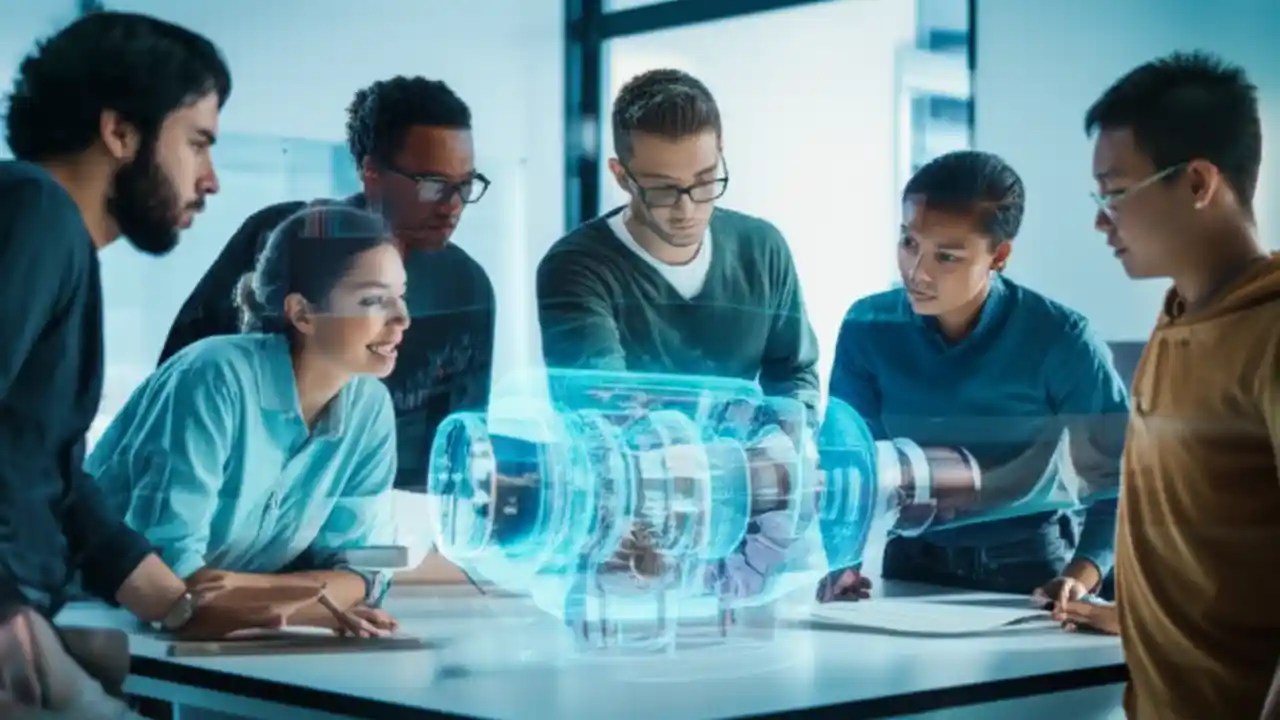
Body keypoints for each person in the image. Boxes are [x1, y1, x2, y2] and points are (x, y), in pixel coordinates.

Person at [0, 11, 324, 718]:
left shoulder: (53, 239)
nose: (209, 180)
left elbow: (53, 477)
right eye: (198, 143)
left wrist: (178, 606)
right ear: (119, 132)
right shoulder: (35, 213)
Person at [1051, 51, 1280, 719]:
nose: (1101, 219)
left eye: (1114, 192)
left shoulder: (1268, 332)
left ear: (1199, 182)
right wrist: (1137, 615)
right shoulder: (1182, 311)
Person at [816, 150, 1129, 606]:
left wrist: (1082, 576)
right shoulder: (868, 324)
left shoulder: (1061, 338)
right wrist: (842, 564)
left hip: (1029, 570)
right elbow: (851, 465)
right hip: (910, 563)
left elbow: (1122, 476)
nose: (916, 272)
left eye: (946, 256)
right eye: (908, 242)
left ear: (999, 255)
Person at [158, 76, 495, 493]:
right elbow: (178, 377)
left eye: (465, 184)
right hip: (230, 498)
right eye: (433, 184)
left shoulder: (468, 287)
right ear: (371, 173)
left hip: (382, 517)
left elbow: (457, 446)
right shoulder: (285, 237)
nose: (453, 205)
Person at [86, 203, 409, 638]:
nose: (402, 319)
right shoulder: (213, 378)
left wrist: (243, 588)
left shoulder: (369, 407)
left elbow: (366, 573)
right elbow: (171, 580)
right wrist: (315, 605)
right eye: (372, 300)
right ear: (303, 314)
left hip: (212, 635)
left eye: (400, 295)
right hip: (80, 617)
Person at [536, 68, 820, 416]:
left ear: (720, 152)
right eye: (663, 189)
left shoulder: (762, 250)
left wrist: (784, 435)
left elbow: (794, 376)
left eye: (704, 181)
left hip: (748, 463)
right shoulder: (576, 267)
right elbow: (603, 406)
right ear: (621, 176)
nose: (687, 209)